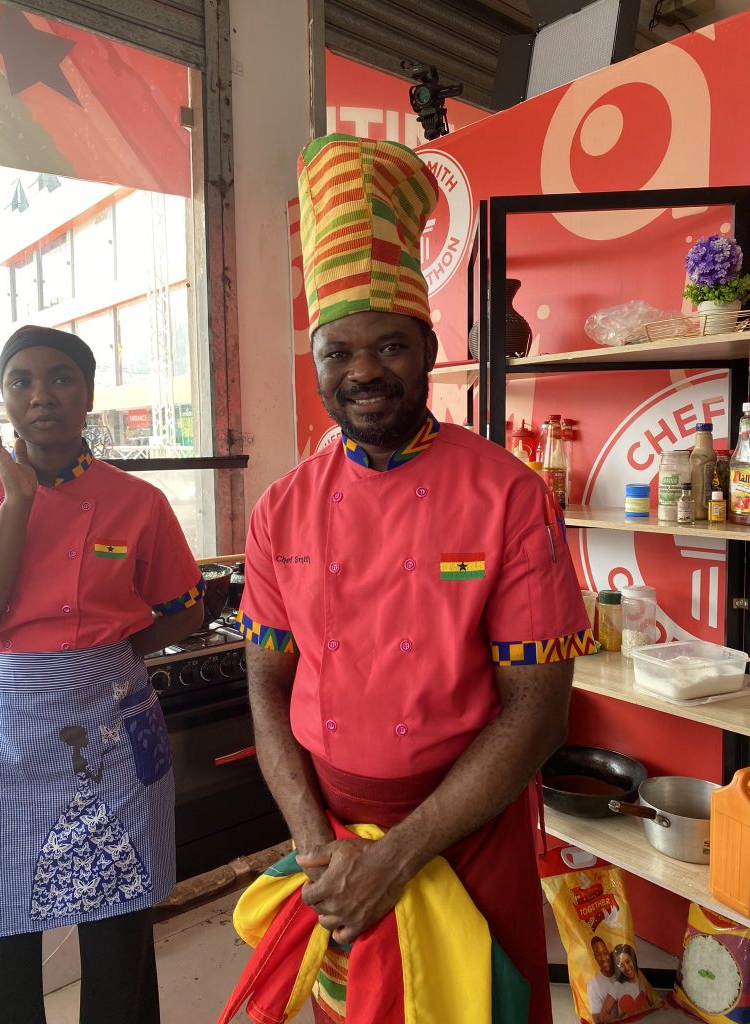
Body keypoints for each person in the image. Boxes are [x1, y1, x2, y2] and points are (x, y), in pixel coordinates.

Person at [235, 134, 595, 1023]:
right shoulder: (281, 506)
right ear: (315, 361)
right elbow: (267, 686)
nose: (363, 371)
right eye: (338, 351)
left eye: (390, 346)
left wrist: (395, 858)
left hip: (463, 832)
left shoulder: (508, 495)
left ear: (428, 347)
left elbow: (538, 712)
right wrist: (322, 855)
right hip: (329, 835)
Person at [0, 325, 205, 1024]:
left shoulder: (137, 502)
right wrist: (17, 499)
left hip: (111, 729)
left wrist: (105, 662)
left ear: (88, 394)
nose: (41, 395)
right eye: (21, 381)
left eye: (60, 378)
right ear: (2, 400)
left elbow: (182, 611)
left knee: (119, 925)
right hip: (4, 735)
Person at [612, 943, 652, 1018]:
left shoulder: (641, 981)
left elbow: (649, 1004)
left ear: (633, 960)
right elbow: (604, 1015)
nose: (626, 968)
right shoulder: (617, 986)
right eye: (621, 965)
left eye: (628, 961)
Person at [587, 936, 621, 1024]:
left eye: (605, 953)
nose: (603, 958)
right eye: (598, 955)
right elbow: (597, 1019)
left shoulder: (623, 973)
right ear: (595, 957)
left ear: (610, 953)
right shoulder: (592, 985)